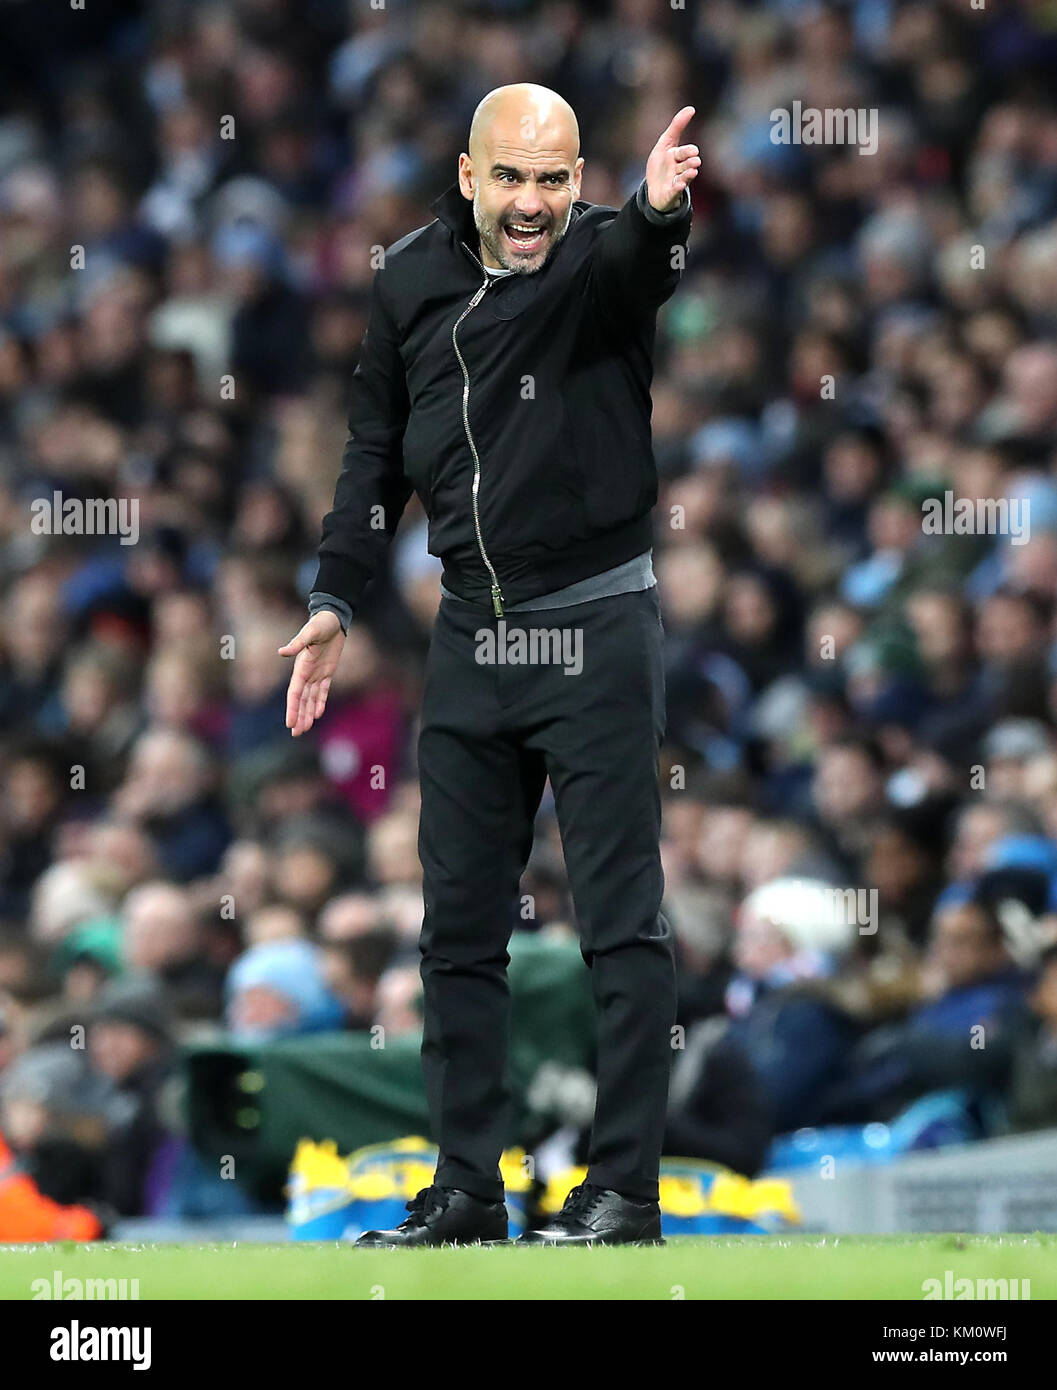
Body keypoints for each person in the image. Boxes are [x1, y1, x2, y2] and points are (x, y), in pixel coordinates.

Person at [281, 83, 697, 1246]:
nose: (532, 201)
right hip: (472, 635)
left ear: (578, 182)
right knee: (456, 930)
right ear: (468, 176)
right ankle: (466, 1188)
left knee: (622, 923)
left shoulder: (607, 257)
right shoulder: (408, 277)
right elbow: (372, 454)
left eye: (555, 178)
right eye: (509, 176)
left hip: (598, 628)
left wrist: (658, 216)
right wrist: (333, 600)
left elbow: (642, 269)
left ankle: (622, 1192)